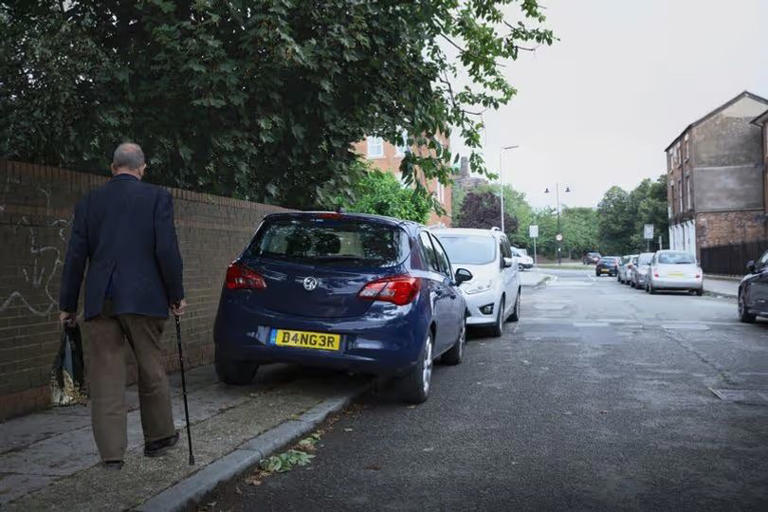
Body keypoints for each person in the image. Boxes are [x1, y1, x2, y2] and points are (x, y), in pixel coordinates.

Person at [59, 142, 187, 470]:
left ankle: (112, 455)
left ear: (112, 167)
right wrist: (176, 294)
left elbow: (75, 257)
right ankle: (158, 439)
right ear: (142, 168)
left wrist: (67, 305)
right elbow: (167, 250)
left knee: (105, 376)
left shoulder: (90, 202)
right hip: (145, 298)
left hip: (101, 298)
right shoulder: (157, 198)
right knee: (151, 367)